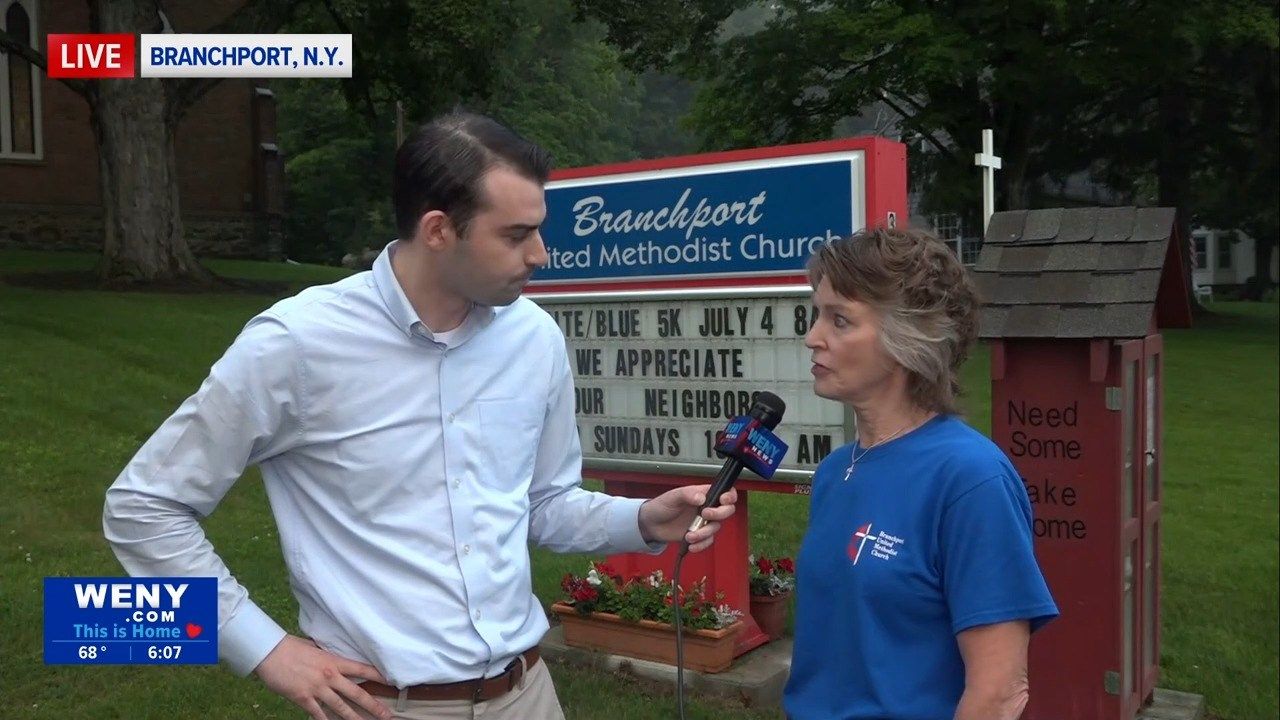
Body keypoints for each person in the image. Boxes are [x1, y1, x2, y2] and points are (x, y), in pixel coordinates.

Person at [102, 110, 737, 720]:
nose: (541, 254)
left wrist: (644, 521)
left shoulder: (533, 338)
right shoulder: (296, 344)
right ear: (438, 230)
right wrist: (265, 650)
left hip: (528, 694)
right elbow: (144, 507)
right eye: (516, 235)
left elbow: (540, 504)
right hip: (383, 704)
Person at [783, 227, 1058, 720]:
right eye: (816, 314)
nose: (812, 337)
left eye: (840, 320)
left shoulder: (971, 480)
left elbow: (999, 694)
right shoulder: (833, 472)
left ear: (908, 340)